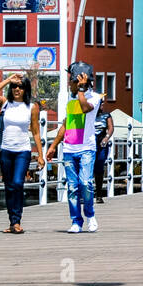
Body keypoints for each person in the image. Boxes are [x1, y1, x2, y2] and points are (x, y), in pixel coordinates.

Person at [45, 63, 102, 233]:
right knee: (72, 187)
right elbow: (66, 124)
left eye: (71, 81)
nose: (69, 84)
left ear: (80, 82)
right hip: (69, 149)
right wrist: (53, 145)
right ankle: (76, 221)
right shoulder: (69, 98)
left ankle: (90, 215)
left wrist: (82, 91)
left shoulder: (95, 98)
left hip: (86, 148)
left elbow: (85, 108)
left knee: (85, 183)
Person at [0, 72, 43, 234]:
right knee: (9, 186)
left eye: (20, 87)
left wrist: (40, 155)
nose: (17, 89)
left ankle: (17, 220)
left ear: (26, 89)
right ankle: (13, 222)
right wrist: (7, 80)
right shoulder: (5, 103)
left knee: (18, 183)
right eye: (14, 87)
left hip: (22, 151)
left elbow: (36, 132)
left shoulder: (32, 107)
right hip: (5, 150)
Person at [93, 95, 114, 204]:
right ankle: (86, 194)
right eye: (99, 104)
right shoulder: (88, 115)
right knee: (87, 167)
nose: (101, 106)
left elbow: (111, 128)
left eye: (102, 104)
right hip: (90, 143)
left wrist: (106, 138)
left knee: (99, 167)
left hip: (101, 143)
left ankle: (99, 194)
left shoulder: (106, 115)